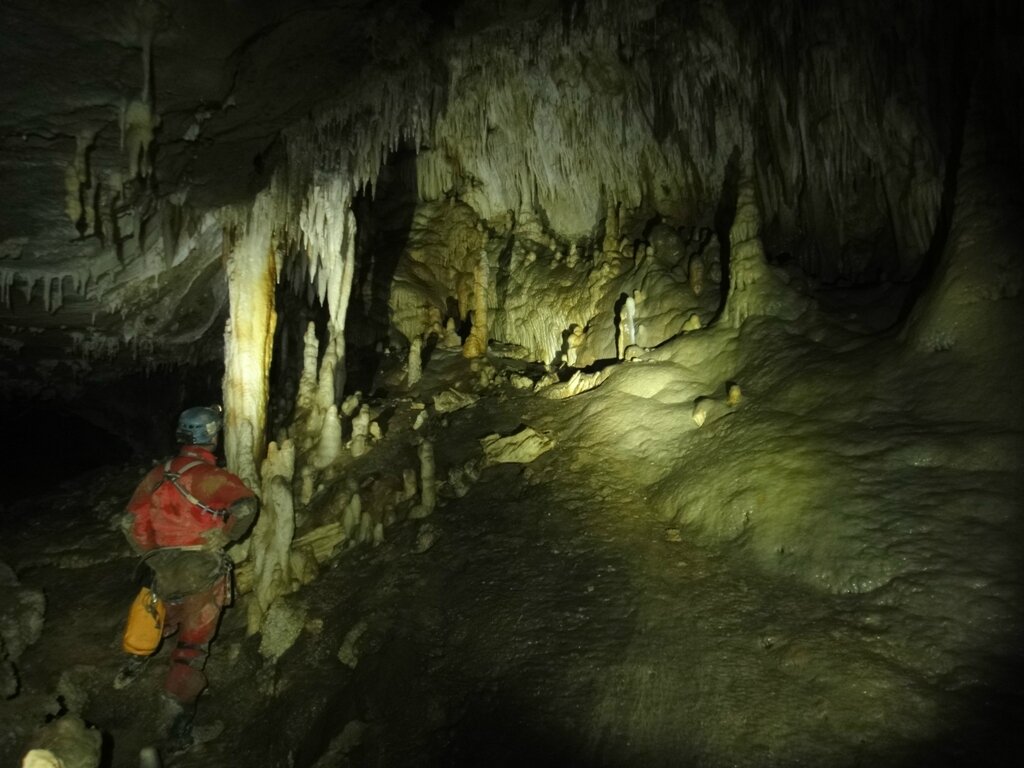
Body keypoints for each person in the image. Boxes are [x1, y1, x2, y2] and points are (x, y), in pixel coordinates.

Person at [114, 405, 257, 752]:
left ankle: (134, 662)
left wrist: (152, 553)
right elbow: (246, 506)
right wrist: (223, 537)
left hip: (164, 567)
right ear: (210, 435)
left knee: (164, 615)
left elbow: (130, 522)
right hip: (200, 570)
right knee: (192, 647)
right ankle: (176, 734)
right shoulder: (209, 476)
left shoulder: (158, 473)